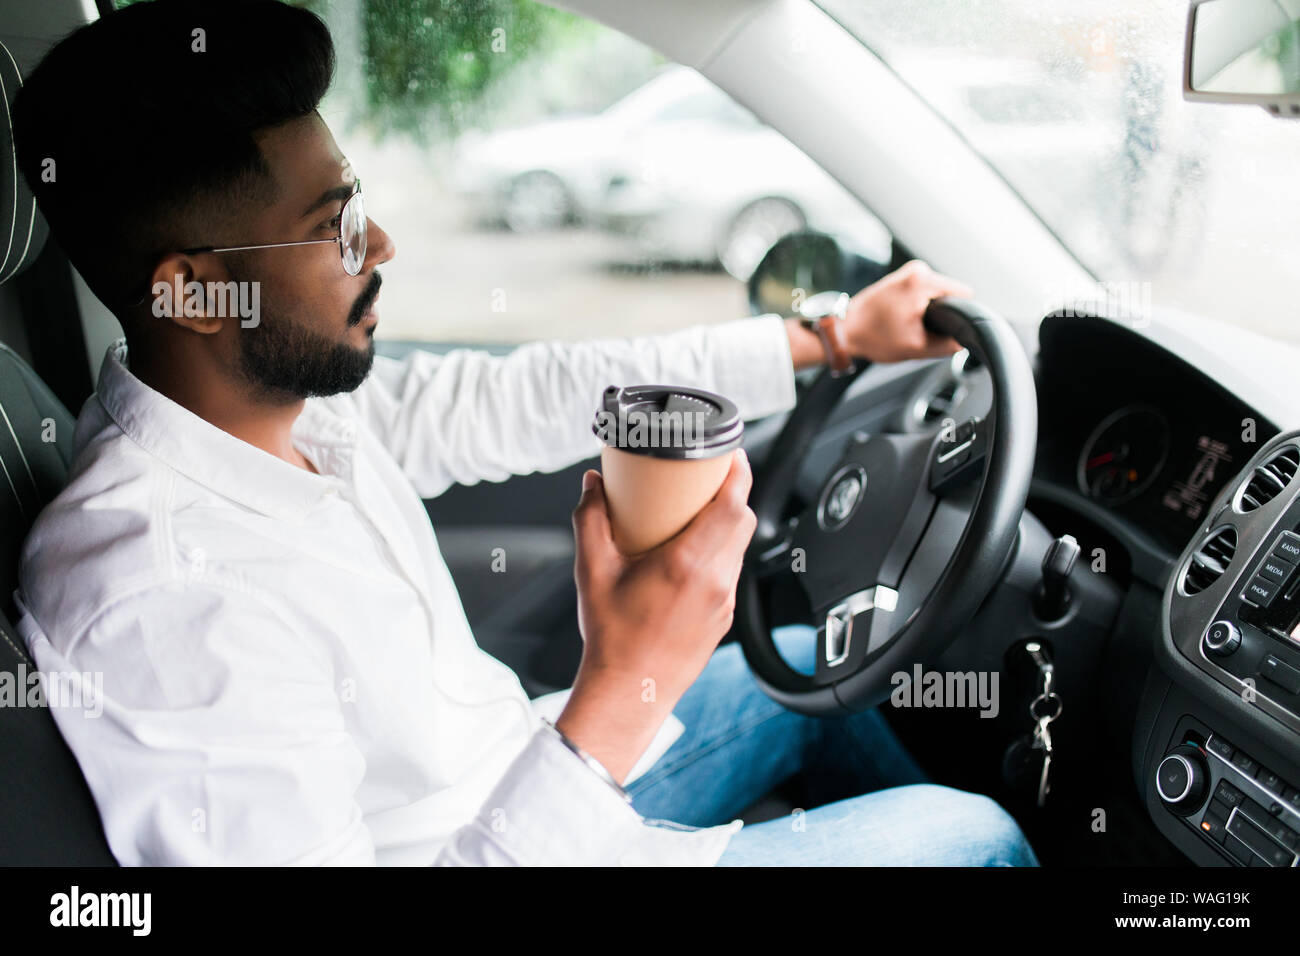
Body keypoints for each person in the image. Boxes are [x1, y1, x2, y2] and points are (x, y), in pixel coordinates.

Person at [11, 0, 1036, 866]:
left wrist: (831, 336)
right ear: (195, 291)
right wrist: (614, 695)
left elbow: (532, 392)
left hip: (527, 772)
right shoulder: (163, 598)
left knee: (818, 662)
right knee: (973, 831)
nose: (382, 244)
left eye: (355, 199)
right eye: (332, 224)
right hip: (529, 821)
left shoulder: (287, 408)